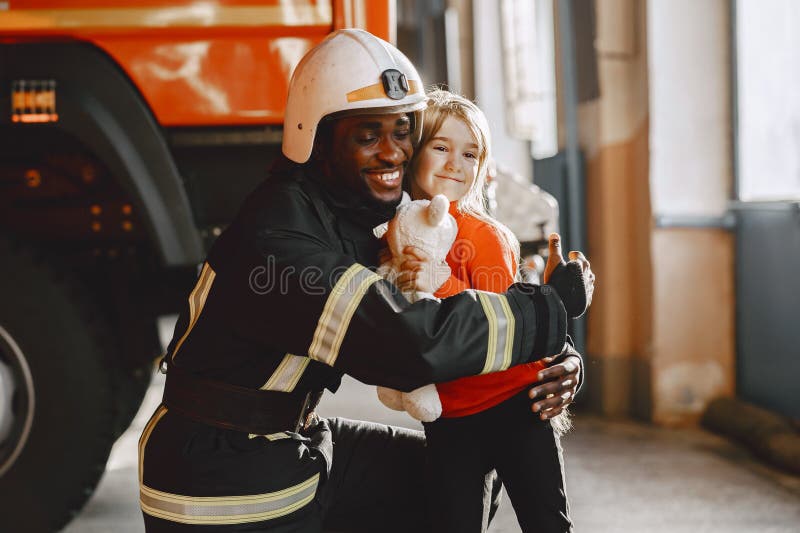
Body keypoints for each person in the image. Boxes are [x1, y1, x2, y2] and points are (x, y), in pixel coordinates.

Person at [138, 29, 592, 532]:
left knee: (458, 477)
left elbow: (477, 293)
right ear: (317, 139)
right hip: (220, 472)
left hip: (291, 433)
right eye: (368, 135)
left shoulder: (353, 205)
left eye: (402, 131)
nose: (393, 153)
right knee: (449, 480)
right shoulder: (278, 237)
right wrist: (547, 311)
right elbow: (410, 341)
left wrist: (556, 358)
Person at [386, 89, 586, 532]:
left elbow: (499, 320)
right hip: (451, 416)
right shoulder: (394, 233)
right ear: (414, 153)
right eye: (441, 147)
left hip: (516, 405)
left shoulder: (484, 235)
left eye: (470, 154)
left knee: (546, 522)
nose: (456, 164)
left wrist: (438, 280)